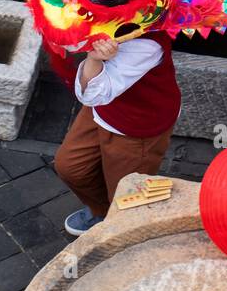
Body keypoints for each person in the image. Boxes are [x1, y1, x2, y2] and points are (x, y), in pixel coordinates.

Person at [53, 29, 181, 236]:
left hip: (135, 127)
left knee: (127, 196)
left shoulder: (147, 45)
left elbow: (94, 94)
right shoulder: (108, 23)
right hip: (105, 109)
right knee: (70, 167)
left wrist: (93, 59)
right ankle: (103, 213)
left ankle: (123, 231)